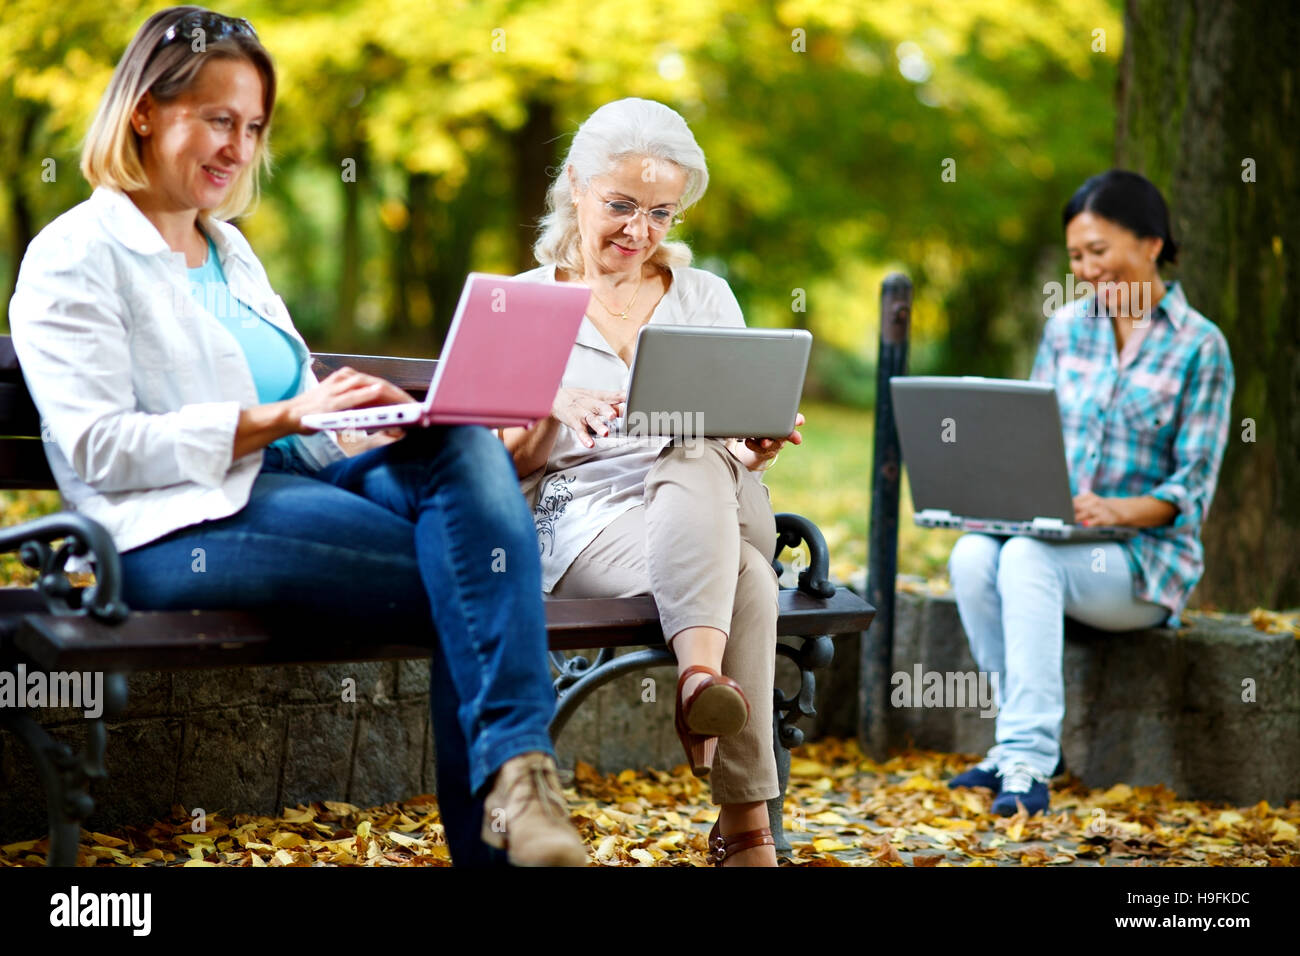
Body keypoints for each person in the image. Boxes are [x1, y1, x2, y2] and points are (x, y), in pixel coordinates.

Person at [8, 6, 586, 867]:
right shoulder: (75, 256)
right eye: (217, 119)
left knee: (462, 449)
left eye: (253, 127)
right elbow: (97, 449)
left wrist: (369, 418)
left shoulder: (232, 253)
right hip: (169, 529)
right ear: (143, 112)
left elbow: (310, 433)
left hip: (294, 493)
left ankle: (520, 780)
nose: (238, 147)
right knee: (477, 569)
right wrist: (280, 418)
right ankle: (517, 800)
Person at [501, 98, 804, 867]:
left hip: (719, 500)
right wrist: (548, 402)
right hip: (590, 522)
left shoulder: (706, 299)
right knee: (754, 586)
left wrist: (755, 446)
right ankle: (748, 832)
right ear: (576, 186)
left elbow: (736, 440)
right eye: (622, 206)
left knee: (695, 446)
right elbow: (494, 461)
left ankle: (697, 674)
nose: (640, 232)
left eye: (661, 213)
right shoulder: (521, 302)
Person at [946, 170, 1235, 816]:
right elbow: (1031, 441)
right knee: (972, 555)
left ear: (1152, 243)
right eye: (1077, 257)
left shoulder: (1201, 348)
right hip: (1058, 538)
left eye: (1099, 251)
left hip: (1143, 562)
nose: (1087, 268)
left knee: (1024, 559)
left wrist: (1117, 511)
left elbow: (1192, 489)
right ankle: (1016, 744)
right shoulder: (1066, 330)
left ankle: (1027, 759)